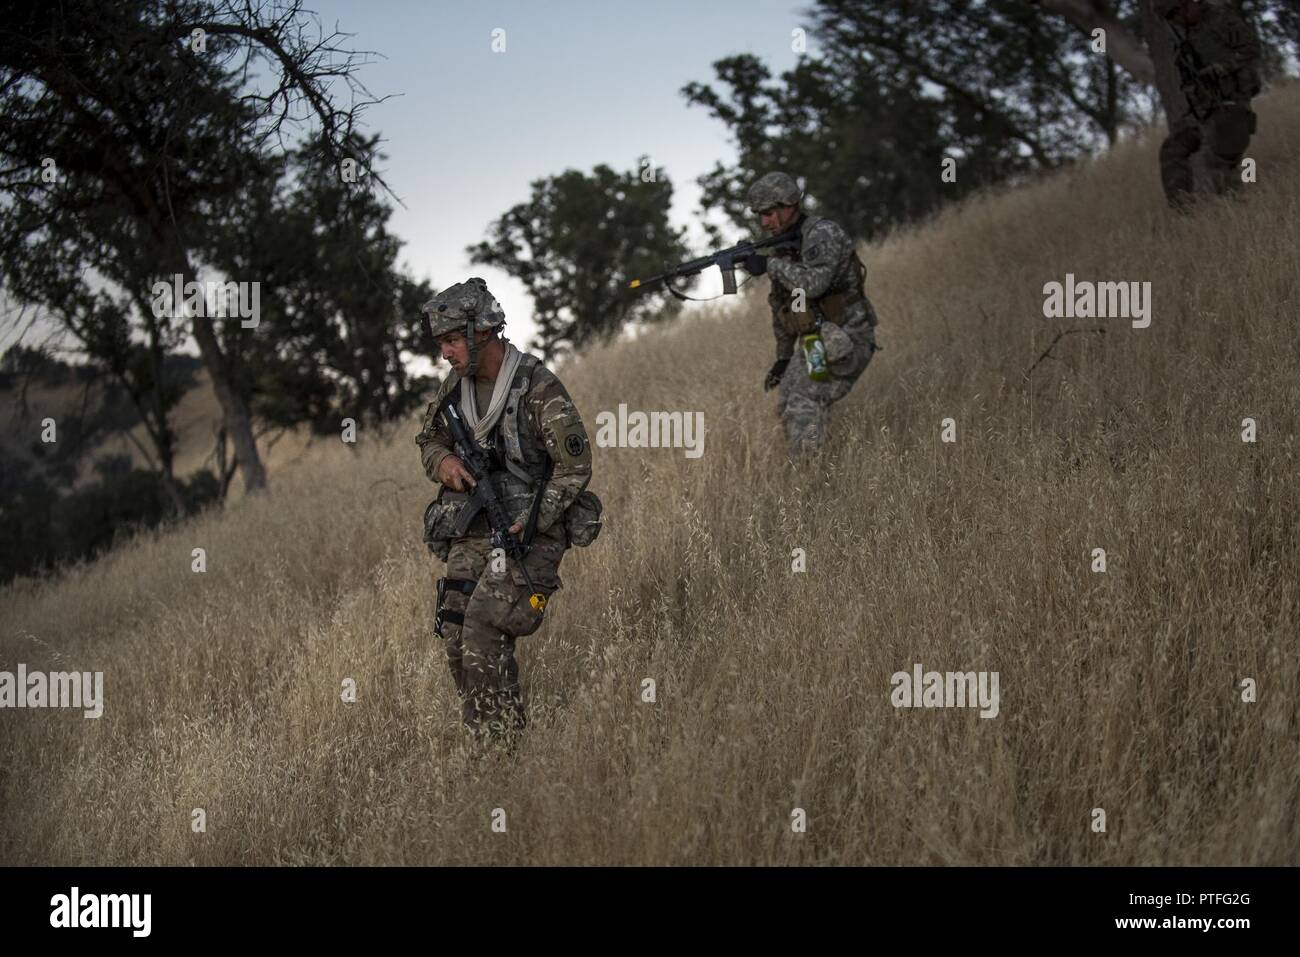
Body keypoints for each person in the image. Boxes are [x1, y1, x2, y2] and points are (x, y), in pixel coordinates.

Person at [415, 277, 594, 749]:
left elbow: (575, 468)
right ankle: (489, 744)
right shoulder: (455, 389)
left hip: (531, 530)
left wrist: (535, 520)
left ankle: (502, 750)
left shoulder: (538, 386)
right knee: (454, 634)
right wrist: (445, 462)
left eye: (452, 340)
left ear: (482, 333)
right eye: (441, 344)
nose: (446, 353)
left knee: (484, 627)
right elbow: (429, 441)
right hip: (474, 528)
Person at [742, 171, 880, 456]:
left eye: (768, 214)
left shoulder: (822, 234)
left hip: (849, 337)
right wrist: (783, 358)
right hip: (818, 341)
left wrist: (770, 265)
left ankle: (809, 475)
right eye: (760, 215)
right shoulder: (785, 245)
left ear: (789, 206)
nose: (764, 222)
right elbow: (780, 305)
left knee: (804, 399)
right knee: (787, 399)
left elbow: (814, 285)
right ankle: (818, 463)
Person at [1156, 0, 1262, 207]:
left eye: (1173, 15)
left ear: (1185, 6)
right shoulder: (1183, 34)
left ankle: (1238, 214)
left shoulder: (1220, 17)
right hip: (1204, 109)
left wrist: (1221, 68)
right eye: (1169, 19)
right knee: (1172, 150)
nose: (1173, 22)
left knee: (1218, 160)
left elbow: (1252, 48)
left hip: (1232, 103)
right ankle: (1184, 214)